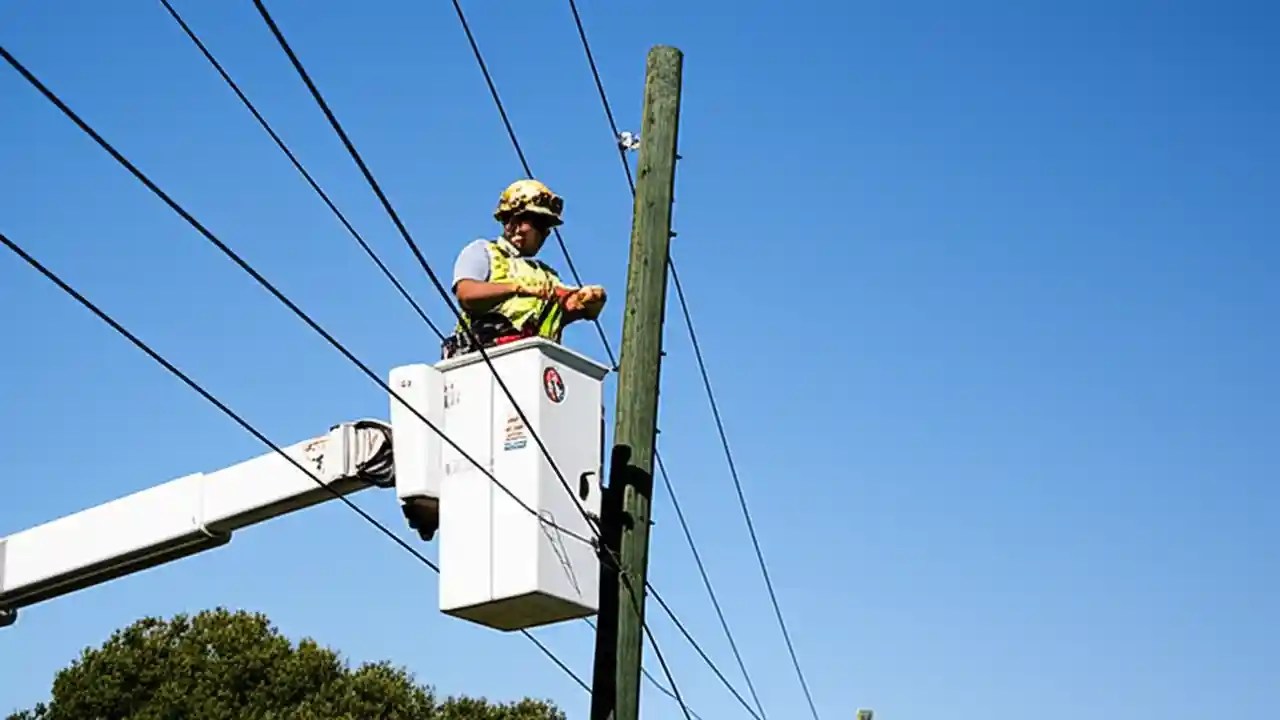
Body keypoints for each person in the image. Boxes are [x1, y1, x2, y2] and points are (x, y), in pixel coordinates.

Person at [442, 178, 606, 358]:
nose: (545, 233)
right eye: (540, 224)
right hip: (483, 363)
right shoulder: (483, 251)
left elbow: (568, 307)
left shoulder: (546, 274)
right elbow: (467, 294)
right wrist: (517, 288)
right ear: (514, 224)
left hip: (533, 369)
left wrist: (589, 300)